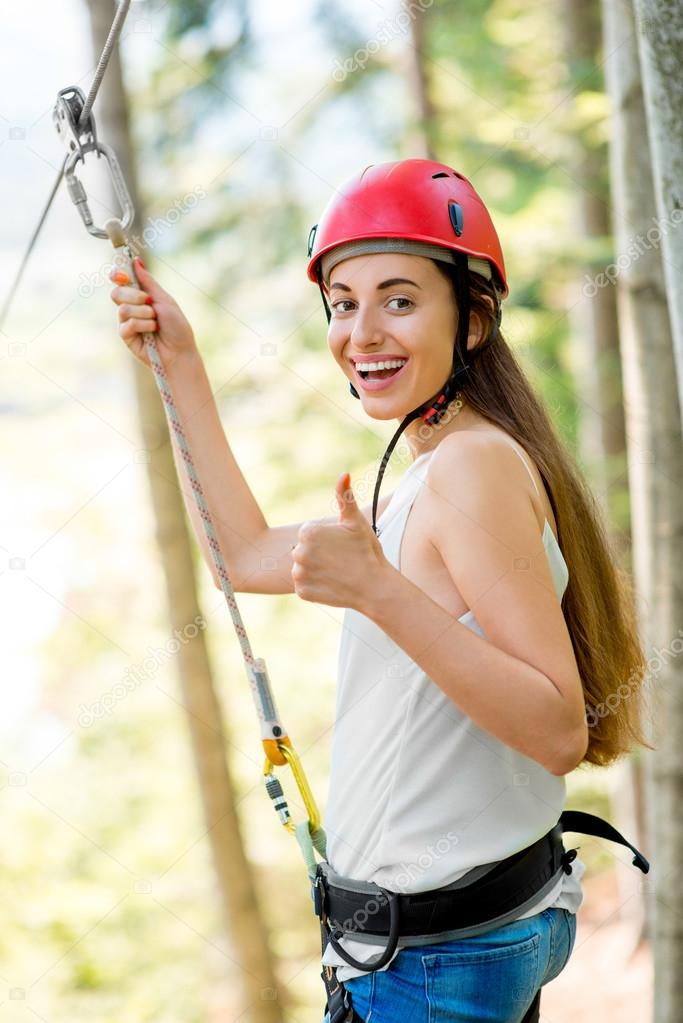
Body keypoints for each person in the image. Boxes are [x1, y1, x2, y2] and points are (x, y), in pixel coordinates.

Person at [109, 158, 652, 1023]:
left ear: (472, 321)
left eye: (398, 300)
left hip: (436, 963)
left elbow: (555, 726)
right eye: (342, 303)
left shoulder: (469, 468)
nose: (361, 332)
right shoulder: (432, 467)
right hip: (458, 942)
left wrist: (376, 591)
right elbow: (244, 554)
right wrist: (179, 363)